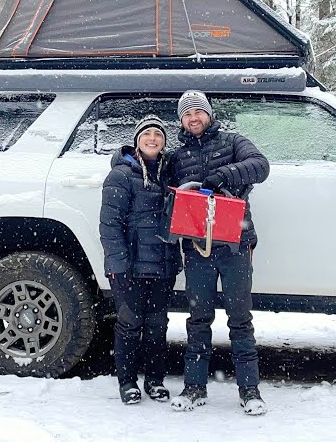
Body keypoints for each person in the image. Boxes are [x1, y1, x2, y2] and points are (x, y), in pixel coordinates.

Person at [167, 90, 271, 416]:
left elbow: (260, 166)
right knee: (199, 320)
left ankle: (250, 390)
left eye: (198, 111)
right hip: (197, 249)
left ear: (208, 115)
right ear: (181, 120)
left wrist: (221, 176)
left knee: (240, 319)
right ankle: (194, 387)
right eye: (187, 114)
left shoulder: (233, 142)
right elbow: (152, 174)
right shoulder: (177, 156)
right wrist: (123, 158)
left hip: (234, 245)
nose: (193, 118)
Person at [99, 115, 182, 405]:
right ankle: (127, 381)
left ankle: (155, 380)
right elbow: (110, 225)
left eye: (158, 134)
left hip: (162, 263)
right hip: (130, 266)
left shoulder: (168, 173)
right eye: (146, 133)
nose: (152, 138)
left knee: (158, 325)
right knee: (130, 324)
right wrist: (118, 265)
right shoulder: (121, 175)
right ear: (137, 140)